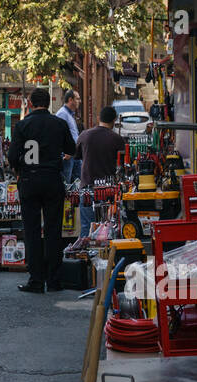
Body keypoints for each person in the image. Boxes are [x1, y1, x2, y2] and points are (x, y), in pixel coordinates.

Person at [8, 87, 75, 293]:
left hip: (29, 180)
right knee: (54, 230)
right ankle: (54, 280)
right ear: (49, 103)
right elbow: (71, 149)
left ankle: (36, 280)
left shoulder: (22, 126)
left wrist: (20, 170)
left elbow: (12, 157)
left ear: (30, 103)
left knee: (32, 231)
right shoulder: (59, 123)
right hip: (52, 180)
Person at [75, 106, 125, 236]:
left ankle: (84, 254)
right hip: (108, 191)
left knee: (87, 227)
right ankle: (105, 255)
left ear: (99, 118)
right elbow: (123, 164)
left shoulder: (85, 135)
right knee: (108, 228)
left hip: (87, 188)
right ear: (114, 120)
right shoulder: (117, 139)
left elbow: (76, 156)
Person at [56, 89, 82, 183]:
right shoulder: (62, 114)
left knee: (77, 182)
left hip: (74, 154)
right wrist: (66, 151)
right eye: (77, 99)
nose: (80, 101)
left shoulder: (69, 114)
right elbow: (58, 134)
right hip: (67, 155)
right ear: (71, 100)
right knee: (66, 183)